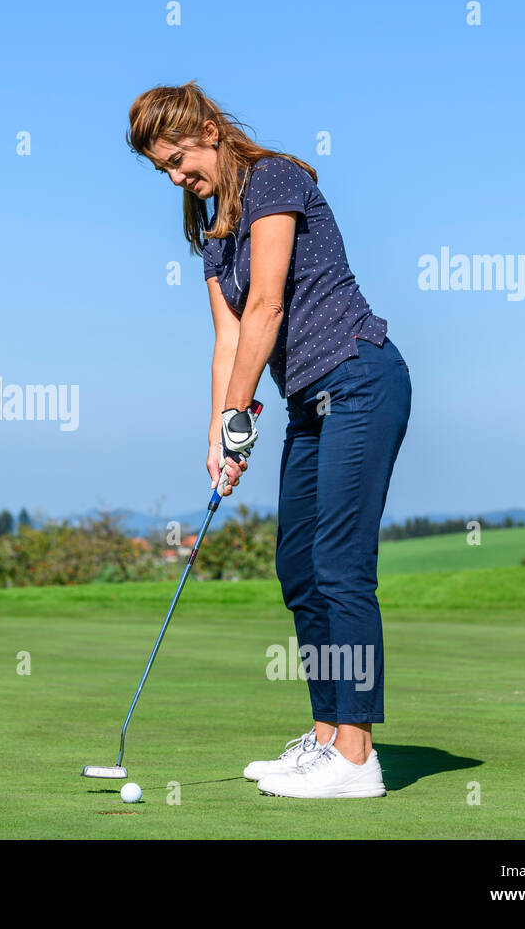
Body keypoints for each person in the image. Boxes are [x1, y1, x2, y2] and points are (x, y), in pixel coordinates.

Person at [126, 83, 411, 798]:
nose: (176, 178)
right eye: (163, 169)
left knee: (342, 567)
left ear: (211, 130)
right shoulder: (213, 232)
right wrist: (220, 435)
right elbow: (228, 340)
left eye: (180, 159)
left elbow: (268, 303)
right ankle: (324, 738)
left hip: (359, 377)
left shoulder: (277, 179)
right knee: (299, 570)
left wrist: (239, 413)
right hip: (311, 405)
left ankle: (357, 756)